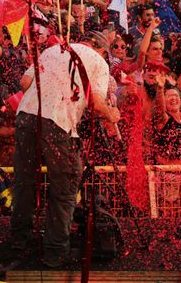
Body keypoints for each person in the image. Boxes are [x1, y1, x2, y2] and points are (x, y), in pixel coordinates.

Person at [9, 33, 111, 270]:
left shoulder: (53, 49)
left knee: (25, 181)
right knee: (65, 186)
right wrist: (111, 113)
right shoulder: (99, 61)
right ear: (102, 50)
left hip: (26, 116)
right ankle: (55, 251)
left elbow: (25, 83)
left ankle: (18, 240)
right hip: (57, 122)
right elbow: (96, 102)